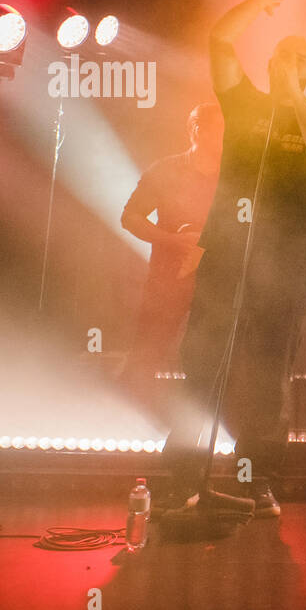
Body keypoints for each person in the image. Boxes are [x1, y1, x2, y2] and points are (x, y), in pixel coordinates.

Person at [158, 0, 306, 521]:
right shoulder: (243, 103)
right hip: (227, 254)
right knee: (203, 364)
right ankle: (182, 478)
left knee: (269, 374)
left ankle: (257, 478)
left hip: (284, 266)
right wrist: (255, 3)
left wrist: (295, 96)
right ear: (270, 60)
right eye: (284, 53)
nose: (292, 60)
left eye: (302, 57)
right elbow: (219, 39)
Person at [119, 103, 223, 406]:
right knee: (148, 351)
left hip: (216, 284)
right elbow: (130, 217)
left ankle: (195, 424)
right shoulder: (166, 170)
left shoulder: (235, 180)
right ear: (196, 129)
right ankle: (129, 414)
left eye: (225, 130)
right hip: (167, 279)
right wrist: (171, 241)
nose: (222, 136)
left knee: (207, 355)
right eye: (215, 129)